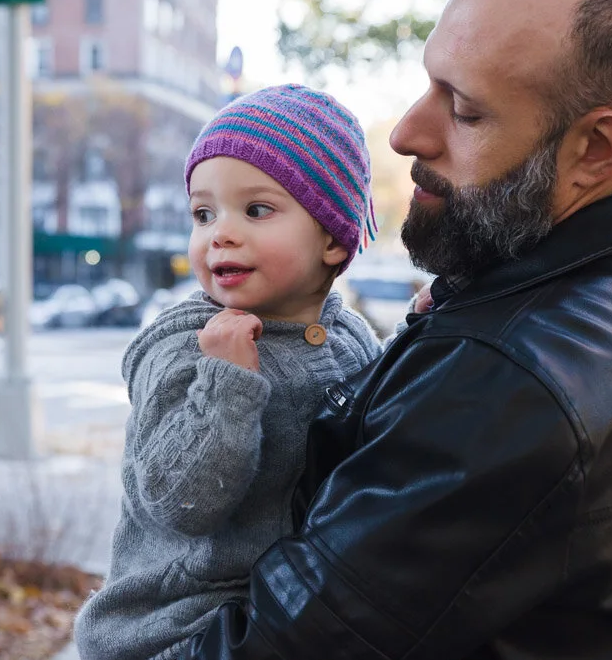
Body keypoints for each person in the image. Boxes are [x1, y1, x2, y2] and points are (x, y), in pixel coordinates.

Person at [193, 0, 612, 659]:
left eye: (465, 110)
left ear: (596, 148)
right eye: (428, 84)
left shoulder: (510, 381)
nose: (407, 132)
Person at [75, 85, 383, 660]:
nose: (220, 232)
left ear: (334, 238)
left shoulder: (354, 338)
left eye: (257, 209)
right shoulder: (184, 347)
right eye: (202, 213)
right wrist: (226, 385)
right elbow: (179, 503)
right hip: (175, 631)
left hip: (290, 612)